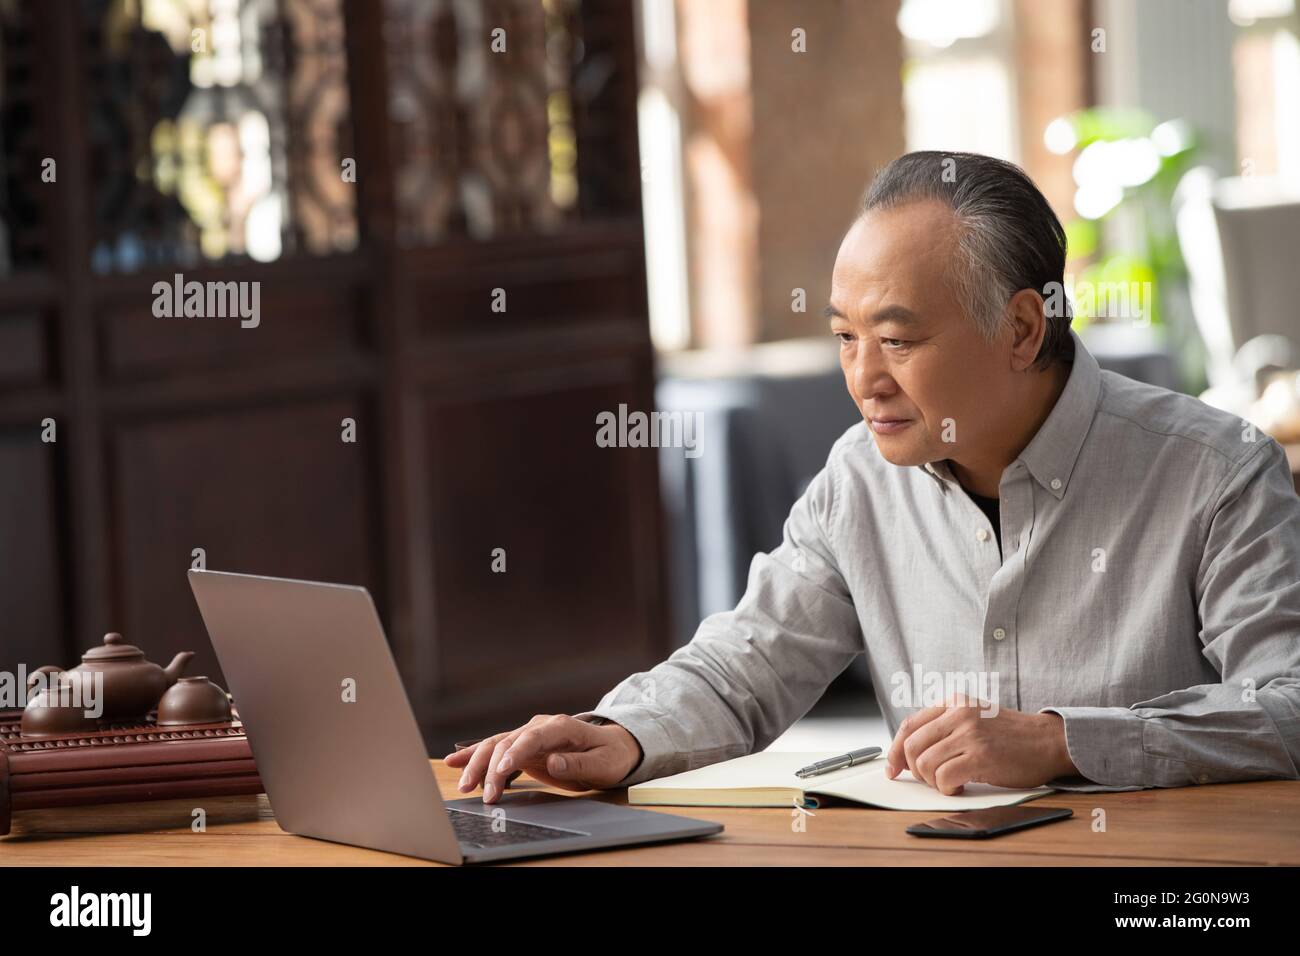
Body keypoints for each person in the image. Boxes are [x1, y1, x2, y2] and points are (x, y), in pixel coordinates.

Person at [447, 150, 1300, 803]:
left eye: (897, 339)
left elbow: (1289, 705)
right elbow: (745, 665)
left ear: (1021, 329)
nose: (863, 378)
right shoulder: (860, 477)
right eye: (845, 337)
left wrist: (1061, 740)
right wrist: (617, 731)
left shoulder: (1214, 472)